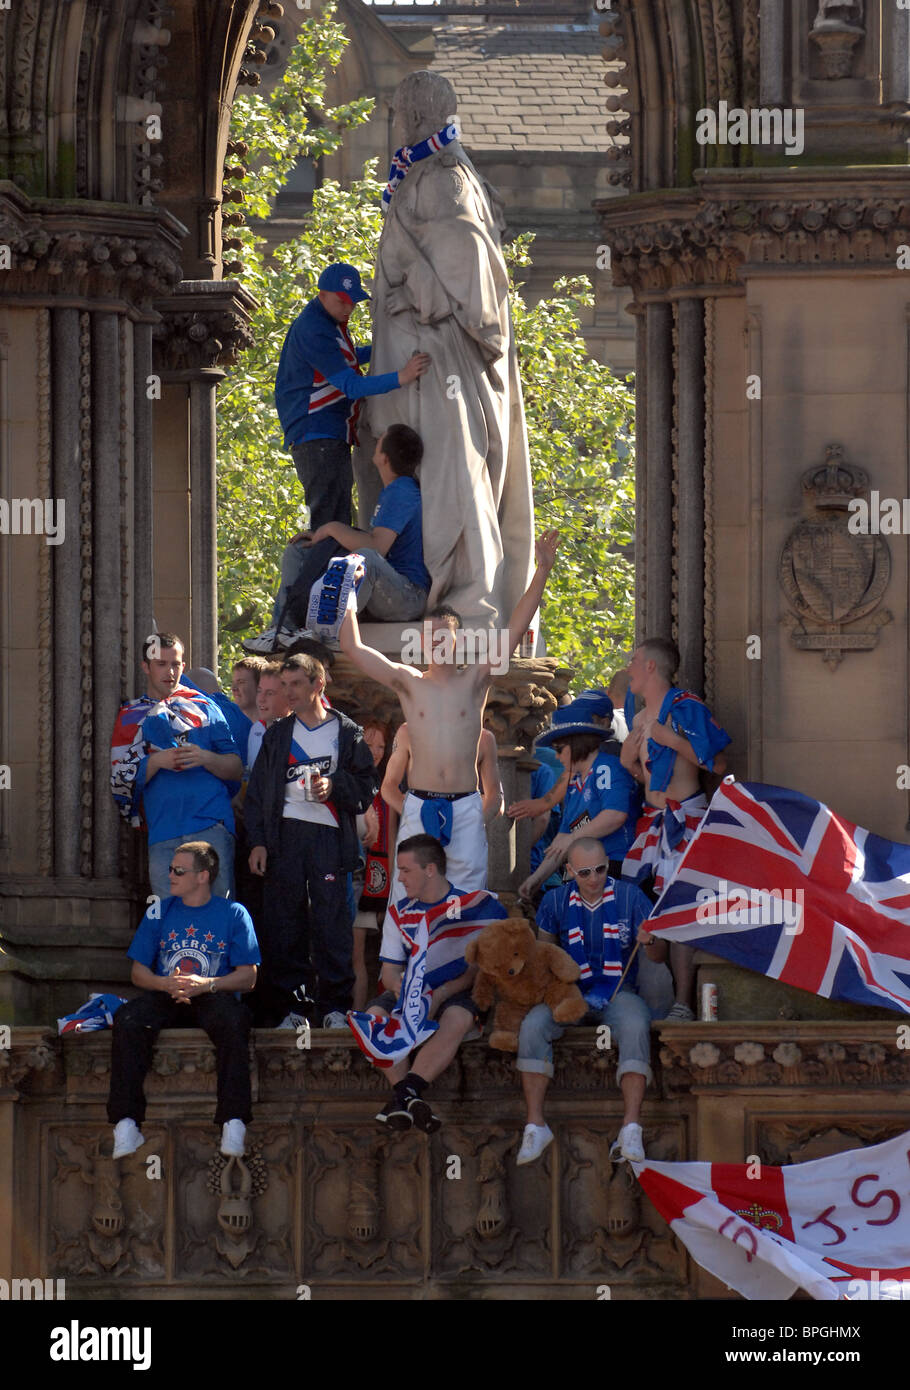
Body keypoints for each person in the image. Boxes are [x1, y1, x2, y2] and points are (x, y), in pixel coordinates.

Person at [357, 71, 535, 629]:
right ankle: (436, 587)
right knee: (432, 469)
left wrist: (418, 288)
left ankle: (464, 595)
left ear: (412, 117)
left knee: (455, 470)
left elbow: (472, 264)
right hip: (423, 357)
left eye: (398, 115)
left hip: (442, 358)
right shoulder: (426, 175)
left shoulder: (444, 178)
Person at [340, 530, 560, 923]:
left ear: (457, 640)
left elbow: (514, 627)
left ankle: (462, 978)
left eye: (445, 636)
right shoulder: (408, 681)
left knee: (468, 902)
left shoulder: (476, 678)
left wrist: (542, 570)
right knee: (406, 901)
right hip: (420, 802)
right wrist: (348, 593)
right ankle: (404, 976)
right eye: (431, 636)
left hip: (464, 804)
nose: (437, 642)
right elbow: (354, 650)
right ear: (422, 641)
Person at [243, 652, 377, 1028]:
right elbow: (256, 795)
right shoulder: (277, 735)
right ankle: (294, 1009)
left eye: (296, 684)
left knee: (333, 924)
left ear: (318, 685)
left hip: (330, 839)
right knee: (286, 923)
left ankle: (335, 1007)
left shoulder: (347, 732)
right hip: (285, 838)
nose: (289, 693)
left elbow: (367, 786)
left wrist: (334, 786)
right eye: (284, 686)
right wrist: (257, 841)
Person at [515, 838, 664, 1166]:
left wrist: (651, 939)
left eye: (600, 869)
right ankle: (536, 1124)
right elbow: (545, 958)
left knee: (637, 1024)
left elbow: (658, 955)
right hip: (571, 992)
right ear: (569, 872)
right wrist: (554, 991)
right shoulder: (554, 901)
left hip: (618, 991)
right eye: (584, 872)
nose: (594, 878)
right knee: (532, 1026)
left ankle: (631, 1127)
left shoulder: (630, 896)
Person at [107, 841, 260, 1160]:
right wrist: (165, 983)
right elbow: (138, 972)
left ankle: (233, 1121)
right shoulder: (158, 910)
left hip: (211, 995)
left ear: (203, 876)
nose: (171, 875)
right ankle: (126, 1122)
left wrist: (206, 984)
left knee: (235, 1020)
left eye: (179, 870)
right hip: (167, 995)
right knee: (128, 1019)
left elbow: (248, 977)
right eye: (171, 869)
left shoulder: (234, 913)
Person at [359, 833, 508, 1132]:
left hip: (457, 992)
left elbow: (480, 969)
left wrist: (438, 996)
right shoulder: (398, 913)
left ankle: (401, 1098)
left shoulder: (471, 907)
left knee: (458, 1017)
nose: (399, 879)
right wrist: (407, 993)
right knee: (374, 1018)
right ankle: (410, 1097)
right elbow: (389, 973)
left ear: (430, 869)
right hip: (410, 991)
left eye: (405, 870)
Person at [244, 425, 431, 654]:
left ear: (383, 457)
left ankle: (323, 634)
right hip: (383, 588)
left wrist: (332, 528)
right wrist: (324, 537)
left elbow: (377, 547)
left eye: (380, 440)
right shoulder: (392, 490)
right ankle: (282, 628)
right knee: (300, 550)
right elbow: (373, 540)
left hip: (407, 596)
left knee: (365, 559)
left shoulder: (401, 490)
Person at [620, 637, 731, 1021]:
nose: (629, 669)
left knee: (681, 912)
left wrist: (673, 741)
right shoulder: (636, 718)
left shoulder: (685, 709)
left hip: (687, 821)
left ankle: (684, 1004)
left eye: (634, 661)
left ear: (651, 666)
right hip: (654, 823)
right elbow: (649, 782)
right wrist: (630, 764)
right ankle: (659, 998)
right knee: (649, 912)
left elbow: (717, 765)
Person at [274, 262, 430, 534]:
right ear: (322, 294)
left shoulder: (328, 321)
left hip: (325, 434)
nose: (348, 308)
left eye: (352, 302)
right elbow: (351, 386)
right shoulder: (314, 328)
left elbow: (345, 357)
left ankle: (328, 570)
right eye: (341, 301)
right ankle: (323, 574)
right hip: (317, 434)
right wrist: (401, 377)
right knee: (330, 523)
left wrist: (386, 348)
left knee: (336, 517)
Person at [110, 635, 244, 899]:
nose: (171, 672)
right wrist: (156, 762)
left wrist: (206, 757)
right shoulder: (130, 716)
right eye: (162, 664)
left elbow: (236, 767)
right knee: (171, 923)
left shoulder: (207, 708)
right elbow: (119, 782)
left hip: (210, 826)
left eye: (177, 664)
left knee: (216, 915)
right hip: (163, 833)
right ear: (146, 667)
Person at [516, 697, 640, 898]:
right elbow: (562, 840)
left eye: (559, 749)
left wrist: (573, 839)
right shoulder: (574, 783)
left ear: (576, 744)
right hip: (584, 873)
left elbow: (615, 815)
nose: (557, 756)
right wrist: (535, 879)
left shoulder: (607, 767)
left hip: (617, 871)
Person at [381, 721, 503, 831]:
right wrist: (415, 817)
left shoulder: (484, 739)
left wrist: (472, 824)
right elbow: (388, 786)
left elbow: (496, 798)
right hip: (419, 836)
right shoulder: (407, 732)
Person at [352, 720, 396, 1012]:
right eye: (370, 744)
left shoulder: (385, 792)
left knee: (358, 954)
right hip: (341, 875)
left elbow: (390, 841)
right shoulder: (345, 783)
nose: (377, 752)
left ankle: (355, 1017)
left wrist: (389, 889)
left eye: (382, 746)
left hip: (370, 882)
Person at [231, 656, 267, 723]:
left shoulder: (279, 729)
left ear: (260, 686)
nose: (233, 688)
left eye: (241, 682)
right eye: (233, 682)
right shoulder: (229, 726)